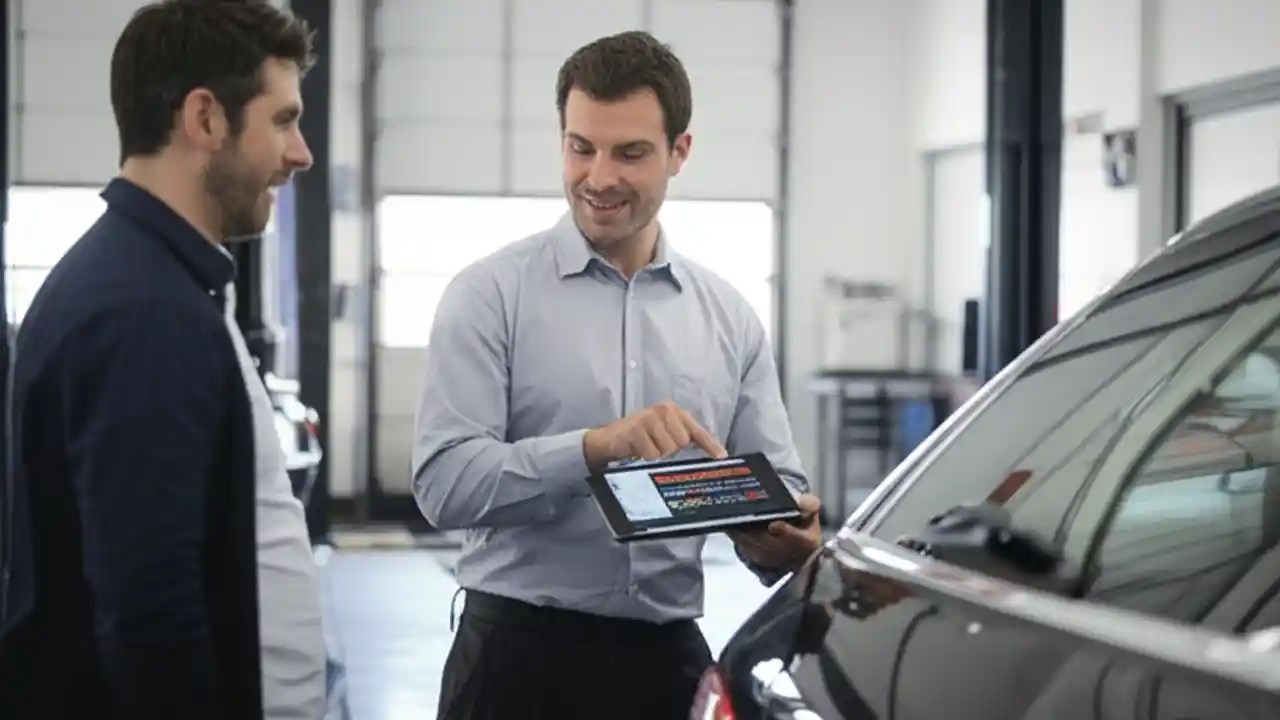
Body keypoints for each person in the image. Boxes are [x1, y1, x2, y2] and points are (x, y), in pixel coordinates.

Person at [413, 30, 823, 719]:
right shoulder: (490, 296)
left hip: (668, 662)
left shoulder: (729, 318)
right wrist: (595, 449)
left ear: (679, 152)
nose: (599, 177)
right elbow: (443, 484)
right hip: (516, 661)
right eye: (581, 147)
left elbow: (778, 493)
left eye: (630, 153)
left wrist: (785, 541)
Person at [0, 2, 324, 718]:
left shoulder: (152, 281)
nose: (300, 152)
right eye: (282, 120)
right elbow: (150, 606)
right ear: (205, 118)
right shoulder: (142, 312)